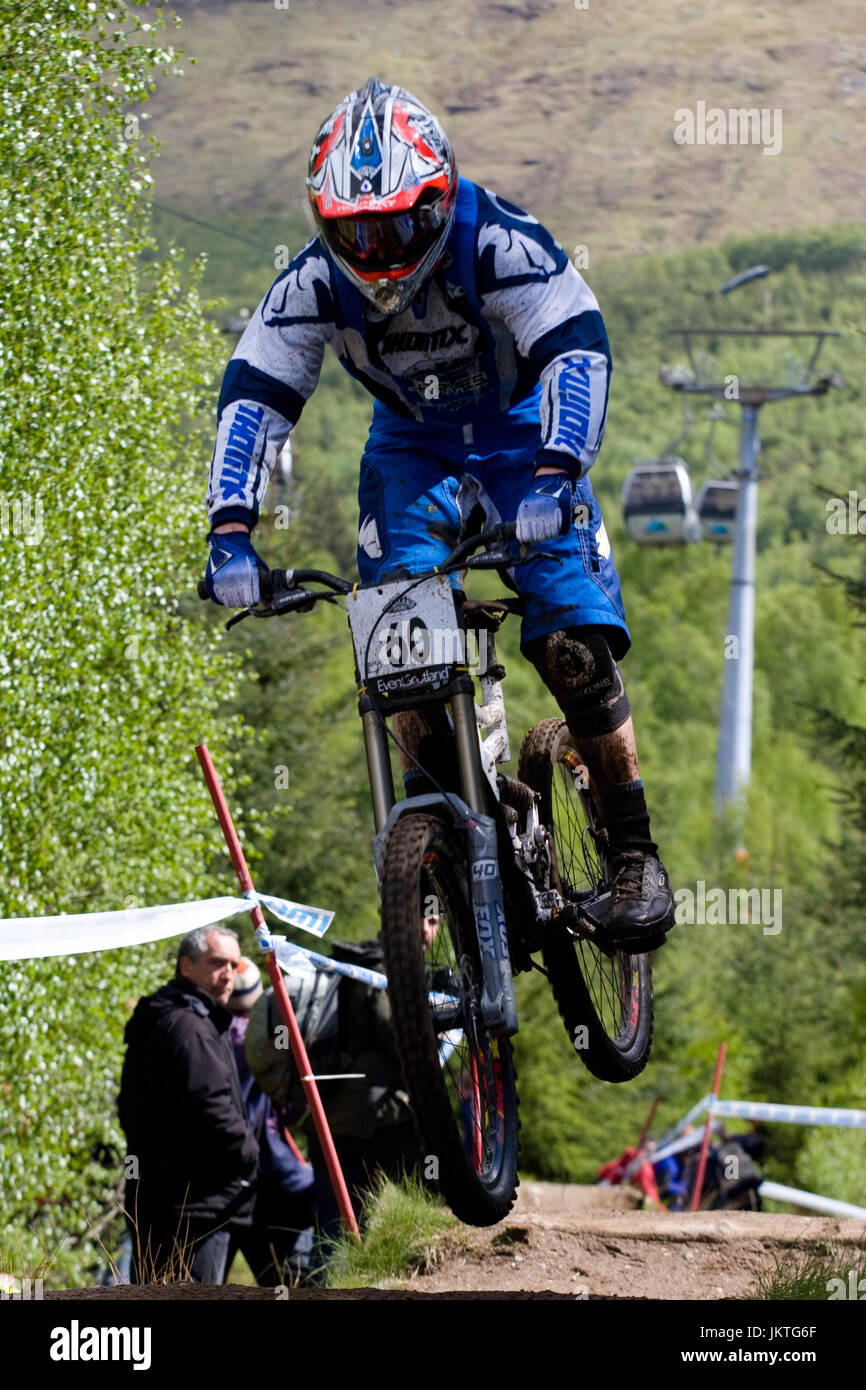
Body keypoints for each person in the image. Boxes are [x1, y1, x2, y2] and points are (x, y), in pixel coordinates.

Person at [203, 78, 675, 950]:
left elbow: (578, 345)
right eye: (355, 232)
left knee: (568, 634)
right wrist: (230, 529)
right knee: (399, 647)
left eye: (397, 225)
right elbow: (253, 402)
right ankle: (458, 836)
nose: (378, 251)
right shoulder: (310, 285)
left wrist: (556, 473)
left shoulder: (498, 242)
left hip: (518, 435)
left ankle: (637, 857)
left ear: (443, 197)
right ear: (324, 223)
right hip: (411, 446)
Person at [244, 939, 423, 1257]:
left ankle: (330, 1286)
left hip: (326, 1123)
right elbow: (397, 1039)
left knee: (333, 1230)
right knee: (437, 1197)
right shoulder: (375, 977)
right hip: (383, 1118)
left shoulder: (328, 971)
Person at [117, 926, 259, 1283]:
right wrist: (248, 1153)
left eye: (233, 964)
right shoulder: (188, 1027)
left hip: (164, 1200)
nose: (227, 973)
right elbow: (211, 1105)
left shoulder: (169, 1015)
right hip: (194, 1207)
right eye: (216, 963)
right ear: (186, 965)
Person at [225, 958, 316, 1284]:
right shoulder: (262, 1039)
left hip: (226, 1188)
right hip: (278, 1180)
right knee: (294, 1282)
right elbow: (290, 1104)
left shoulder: (211, 1037)